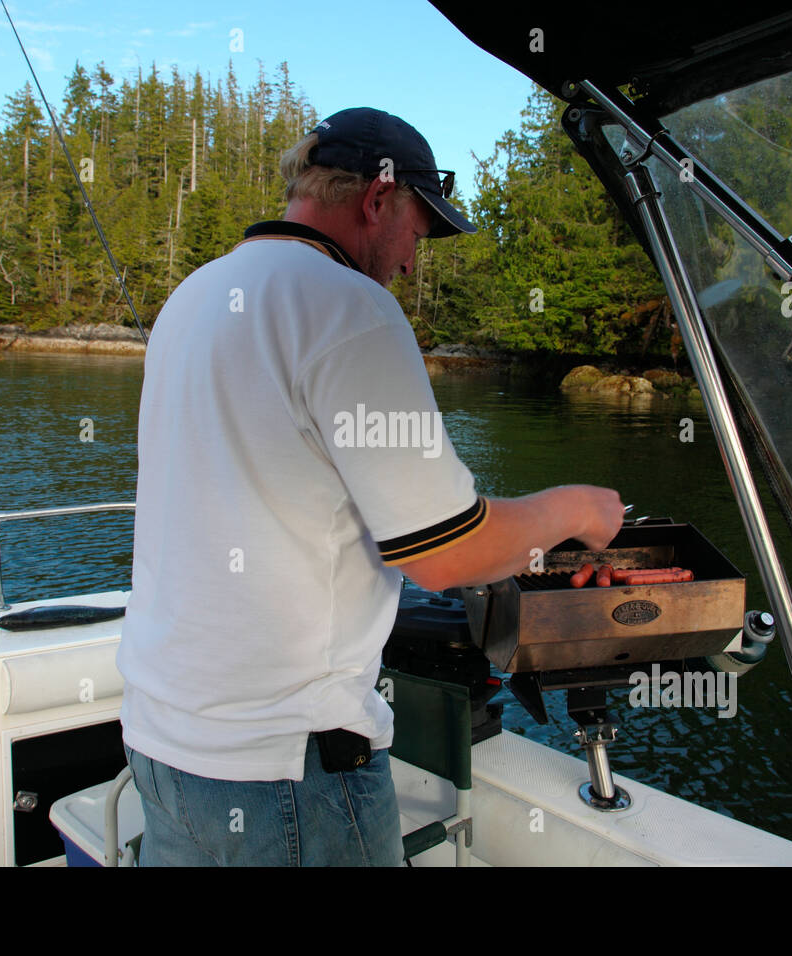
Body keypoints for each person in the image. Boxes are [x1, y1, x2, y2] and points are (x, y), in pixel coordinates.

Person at [117, 107, 625, 866]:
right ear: (377, 200)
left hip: (162, 746)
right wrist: (578, 508)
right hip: (286, 773)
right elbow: (446, 555)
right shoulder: (350, 309)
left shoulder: (193, 297)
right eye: (417, 235)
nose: (413, 264)